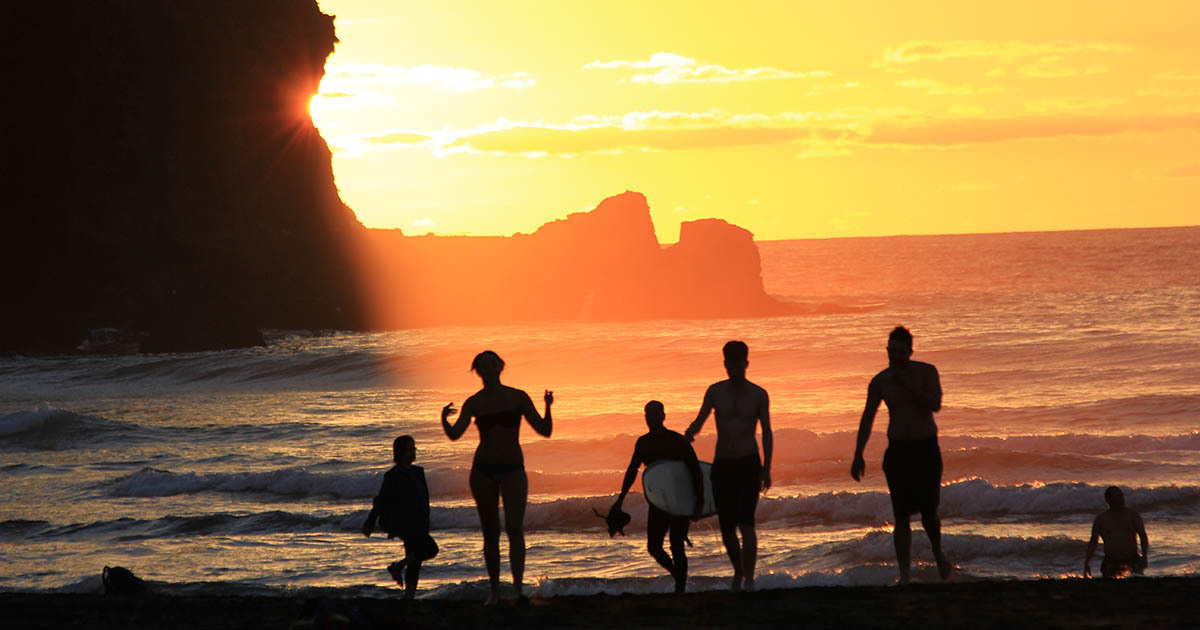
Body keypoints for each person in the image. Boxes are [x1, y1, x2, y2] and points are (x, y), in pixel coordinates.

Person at [441, 350, 553, 605]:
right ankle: (494, 592)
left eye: (492, 364)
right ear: (478, 371)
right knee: (490, 533)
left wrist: (547, 406)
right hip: (483, 471)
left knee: (514, 528)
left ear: (501, 366)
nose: (489, 369)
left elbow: (544, 430)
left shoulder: (518, 396)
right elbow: (455, 434)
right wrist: (443, 420)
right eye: (483, 366)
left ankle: (517, 590)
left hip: (514, 468)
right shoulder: (474, 402)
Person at [851, 326, 951, 584]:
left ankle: (938, 551)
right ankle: (904, 575)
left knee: (929, 513)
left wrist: (908, 385)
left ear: (910, 352)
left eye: (900, 352)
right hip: (898, 452)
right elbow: (867, 418)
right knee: (901, 515)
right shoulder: (880, 381)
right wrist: (858, 454)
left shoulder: (926, 372)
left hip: (926, 449)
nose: (895, 357)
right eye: (891, 351)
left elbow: (935, 404)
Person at [684, 340, 773, 592]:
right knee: (726, 528)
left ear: (746, 363)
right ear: (725, 364)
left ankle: (749, 580)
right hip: (723, 464)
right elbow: (700, 420)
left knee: (746, 523)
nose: (734, 370)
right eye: (729, 365)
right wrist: (689, 433)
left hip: (748, 463)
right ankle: (738, 572)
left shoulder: (758, 394)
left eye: (738, 365)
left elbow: (767, 432)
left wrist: (766, 468)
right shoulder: (715, 392)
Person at [611, 400, 704, 593]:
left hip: (679, 499)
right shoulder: (643, 443)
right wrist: (620, 499)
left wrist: (699, 500)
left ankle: (680, 589)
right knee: (653, 547)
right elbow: (632, 471)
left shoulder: (677, 440)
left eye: (655, 414)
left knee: (677, 545)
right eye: (648, 414)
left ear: (663, 416)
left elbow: (695, 469)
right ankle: (678, 575)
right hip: (658, 502)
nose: (651, 418)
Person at [362, 435, 438, 599]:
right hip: (404, 522)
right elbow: (381, 499)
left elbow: (424, 498)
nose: (414, 452)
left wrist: (426, 519)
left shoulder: (418, 472)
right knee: (430, 549)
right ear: (401, 452)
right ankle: (398, 568)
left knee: (415, 558)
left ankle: (408, 596)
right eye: (410, 449)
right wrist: (370, 522)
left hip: (418, 522)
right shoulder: (393, 475)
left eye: (414, 448)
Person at [1085, 486, 1149, 578]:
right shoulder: (1101, 519)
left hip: (1132, 558)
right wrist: (1087, 563)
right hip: (1111, 560)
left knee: (1137, 581)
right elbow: (1093, 542)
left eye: (1121, 495)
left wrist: (1144, 557)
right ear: (1108, 500)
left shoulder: (1132, 515)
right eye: (1117, 496)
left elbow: (1143, 536)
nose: (1121, 499)